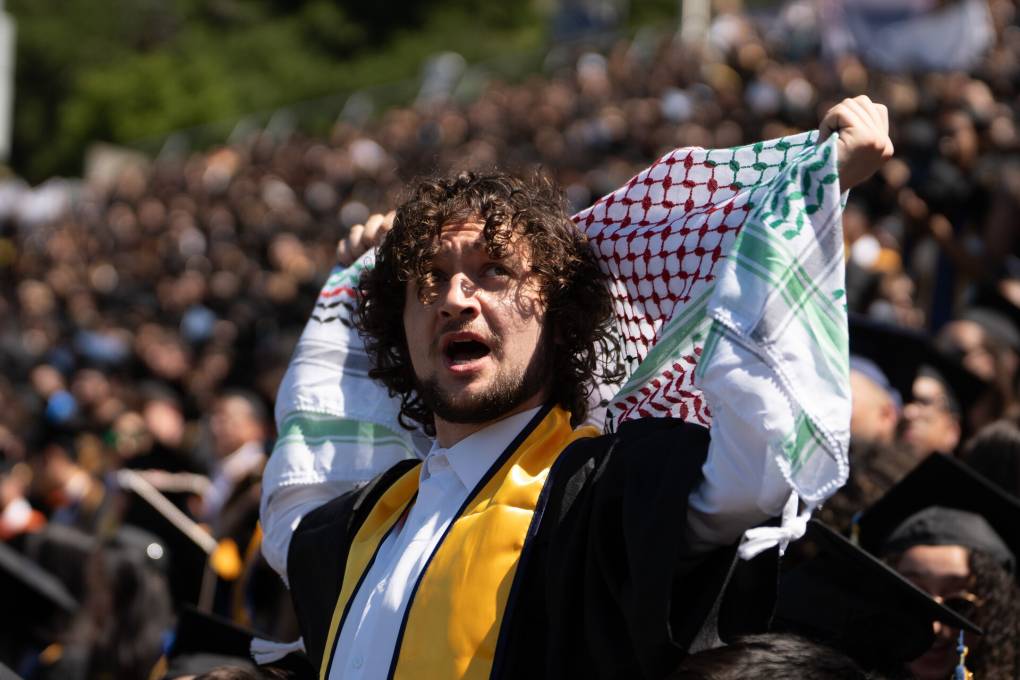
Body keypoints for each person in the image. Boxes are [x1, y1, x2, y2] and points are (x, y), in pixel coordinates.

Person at [262, 96, 893, 679]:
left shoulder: (605, 490)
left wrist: (807, 190)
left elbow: (762, 465)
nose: (455, 299)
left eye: (493, 271)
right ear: (399, 330)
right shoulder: (362, 525)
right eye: (428, 279)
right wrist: (355, 281)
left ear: (560, 316)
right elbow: (297, 498)